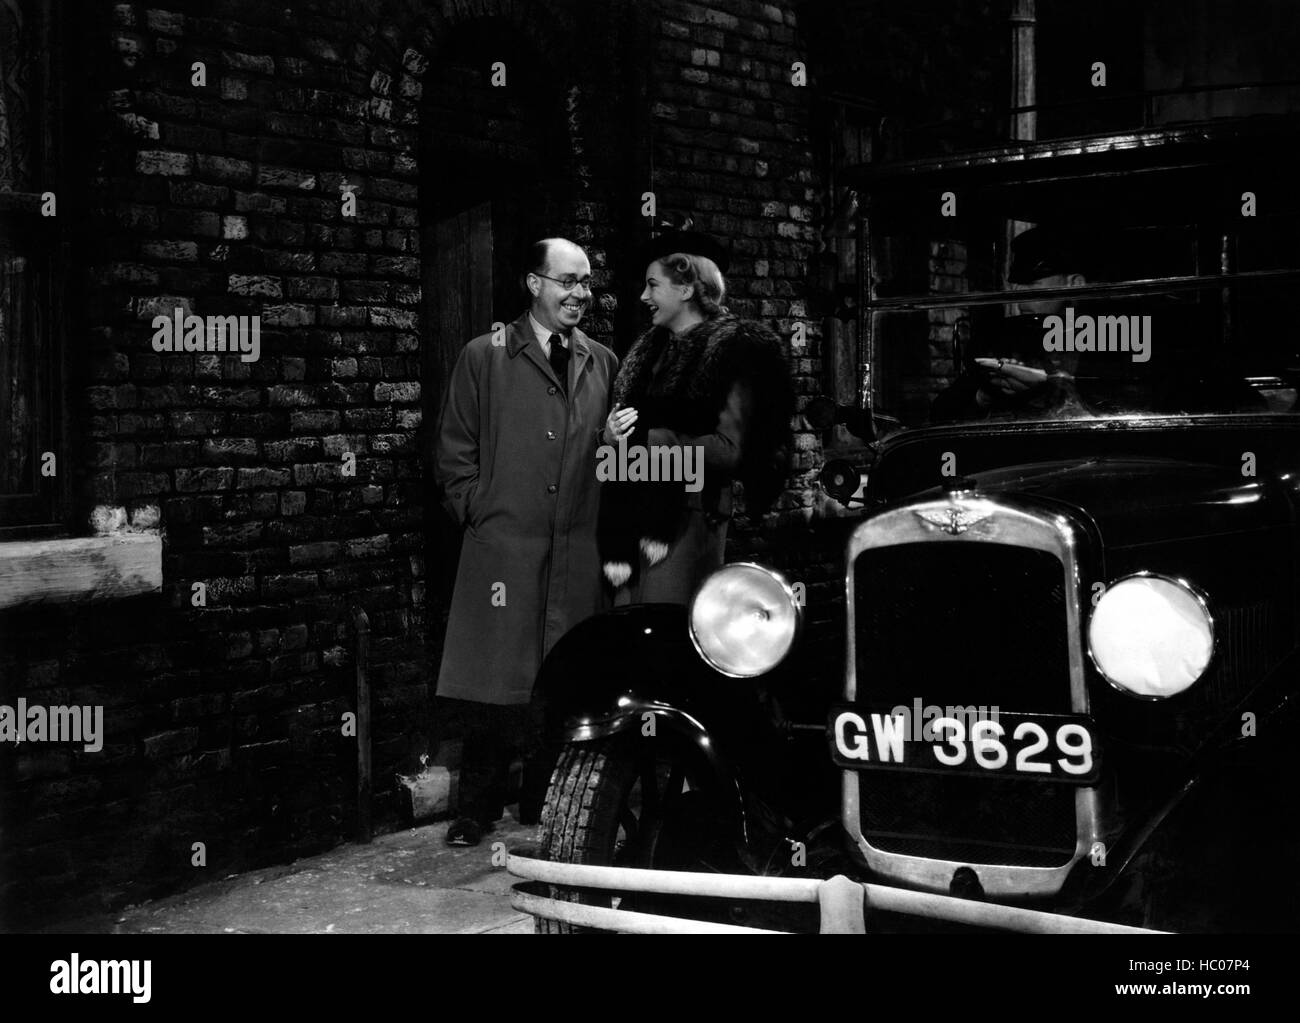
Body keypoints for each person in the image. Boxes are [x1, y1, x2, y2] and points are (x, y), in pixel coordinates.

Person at [434, 237, 619, 846]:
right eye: (567, 281)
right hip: (504, 552)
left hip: (575, 548)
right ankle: (475, 810)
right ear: (533, 284)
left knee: (560, 683)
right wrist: (479, 510)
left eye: (586, 282)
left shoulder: (602, 361)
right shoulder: (483, 355)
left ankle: (545, 805)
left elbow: (609, 458)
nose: (580, 294)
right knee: (493, 688)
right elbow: (454, 450)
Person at [597, 231, 793, 604]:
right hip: (628, 514)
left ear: (686, 288)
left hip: (688, 519)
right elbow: (624, 435)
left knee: (667, 631)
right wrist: (609, 435)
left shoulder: (735, 350)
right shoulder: (646, 353)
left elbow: (731, 450)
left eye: (653, 285)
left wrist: (656, 445)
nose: (643, 297)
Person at [931, 226, 1091, 424]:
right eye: (1016, 286)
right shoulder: (1004, 339)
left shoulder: (1110, 338)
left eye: (1032, 285)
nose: (1019, 300)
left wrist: (1050, 385)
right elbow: (942, 412)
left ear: (1075, 284)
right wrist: (987, 394)